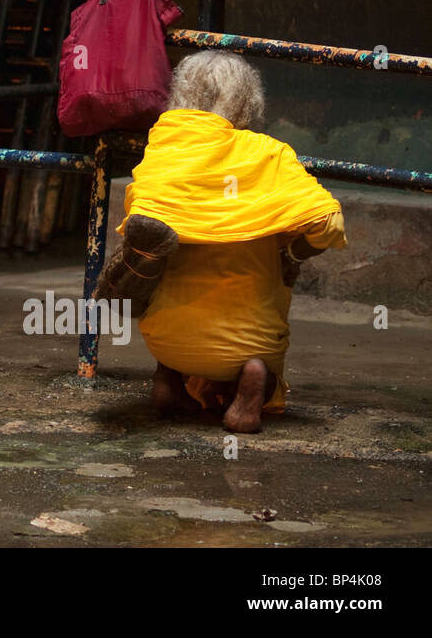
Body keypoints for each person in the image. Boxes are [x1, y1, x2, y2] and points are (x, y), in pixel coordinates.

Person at [96, 51, 345, 432]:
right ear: (248, 100)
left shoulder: (163, 150)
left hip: (166, 340)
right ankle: (250, 387)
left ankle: (169, 377)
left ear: (181, 95)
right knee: (268, 302)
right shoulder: (269, 154)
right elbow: (329, 226)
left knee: (165, 281)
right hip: (247, 344)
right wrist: (289, 253)